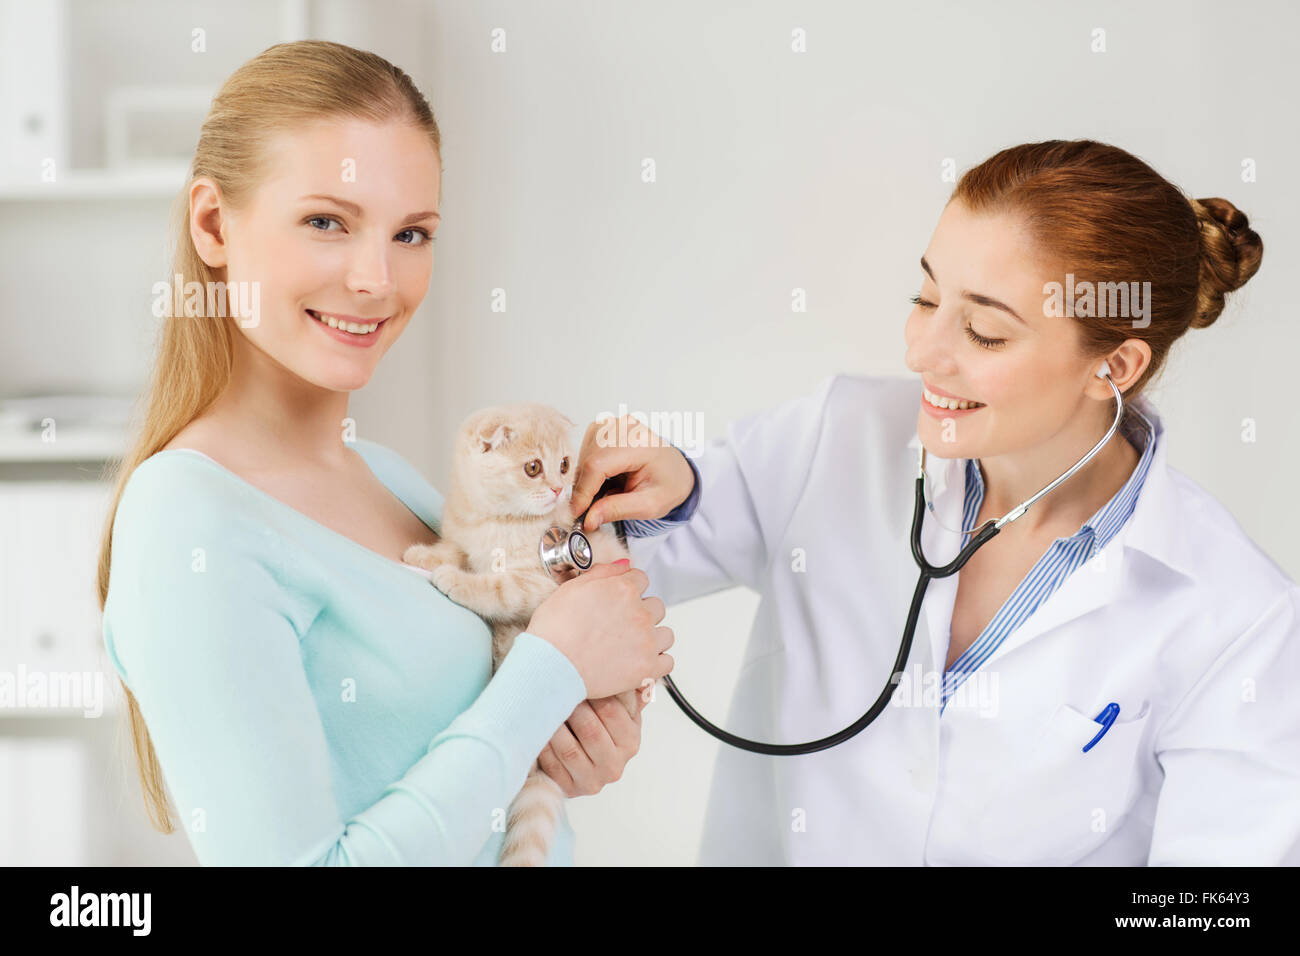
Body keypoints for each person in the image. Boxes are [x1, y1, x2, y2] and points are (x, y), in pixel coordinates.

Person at [571, 139, 1300, 866]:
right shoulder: (837, 441)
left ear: (1113, 365)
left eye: (984, 330)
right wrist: (653, 497)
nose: (922, 351)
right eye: (925, 298)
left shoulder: (1239, 620)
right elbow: (598, 569)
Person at [95, 40, 687, 866]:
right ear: (213, 224)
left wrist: (563, 747)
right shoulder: (184, 522)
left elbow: (458, 765)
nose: (377, 277)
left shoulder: (388, 477)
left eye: (412, 233)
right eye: (326, 221)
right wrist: (550, 672)